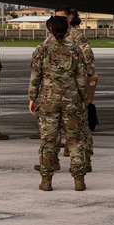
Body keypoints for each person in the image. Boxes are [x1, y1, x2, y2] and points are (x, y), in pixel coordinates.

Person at [28, 15, 89, 192]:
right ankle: (79, 180)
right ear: (67, 30)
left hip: (49, 100)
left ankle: (46, 180)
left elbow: (35, 76)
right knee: (75, 141)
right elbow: (81, 78)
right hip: (72, 100)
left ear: (50, 30)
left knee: (48, 141)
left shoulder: (42, 49)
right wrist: (84, 99)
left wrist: (32, 97)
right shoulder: (75, 50)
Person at [55, 7, 95, 170]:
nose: (57, 21)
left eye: (61, 18)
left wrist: (81, 79)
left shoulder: (77, 36)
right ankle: (53, 161)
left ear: (69, 18)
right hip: (57, 89)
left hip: (74, 88)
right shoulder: (54, 35)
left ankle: (85, 161)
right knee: (55, 125)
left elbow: (89, 59)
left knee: (80, 125)